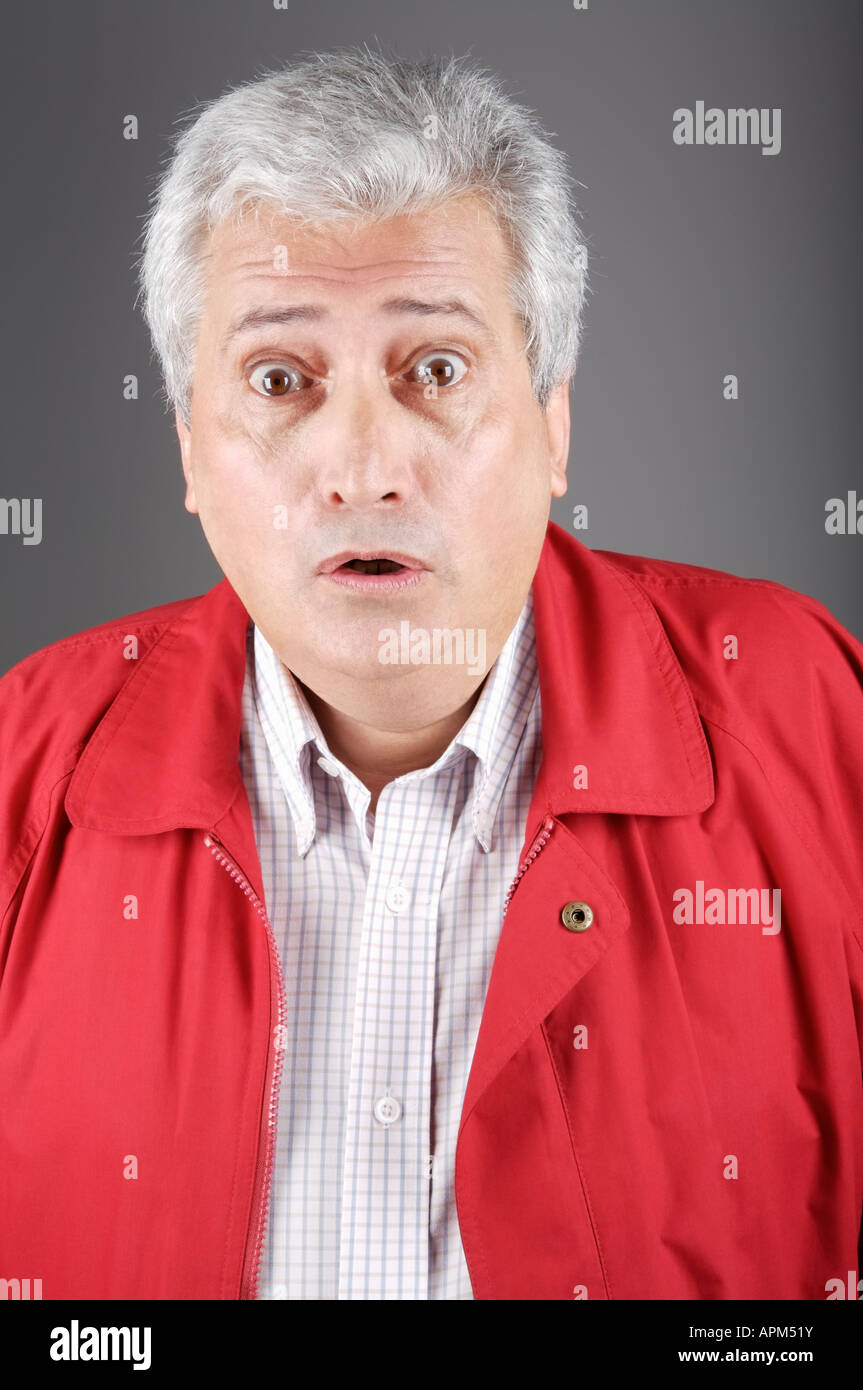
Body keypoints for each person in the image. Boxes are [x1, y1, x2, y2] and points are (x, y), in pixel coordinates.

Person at [0, 44, 861, 1302]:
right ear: (188, 448)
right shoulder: (24, 771)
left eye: (438, 370)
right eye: (281, 381)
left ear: (554, 420)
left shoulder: (818, 726)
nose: (364, 466)